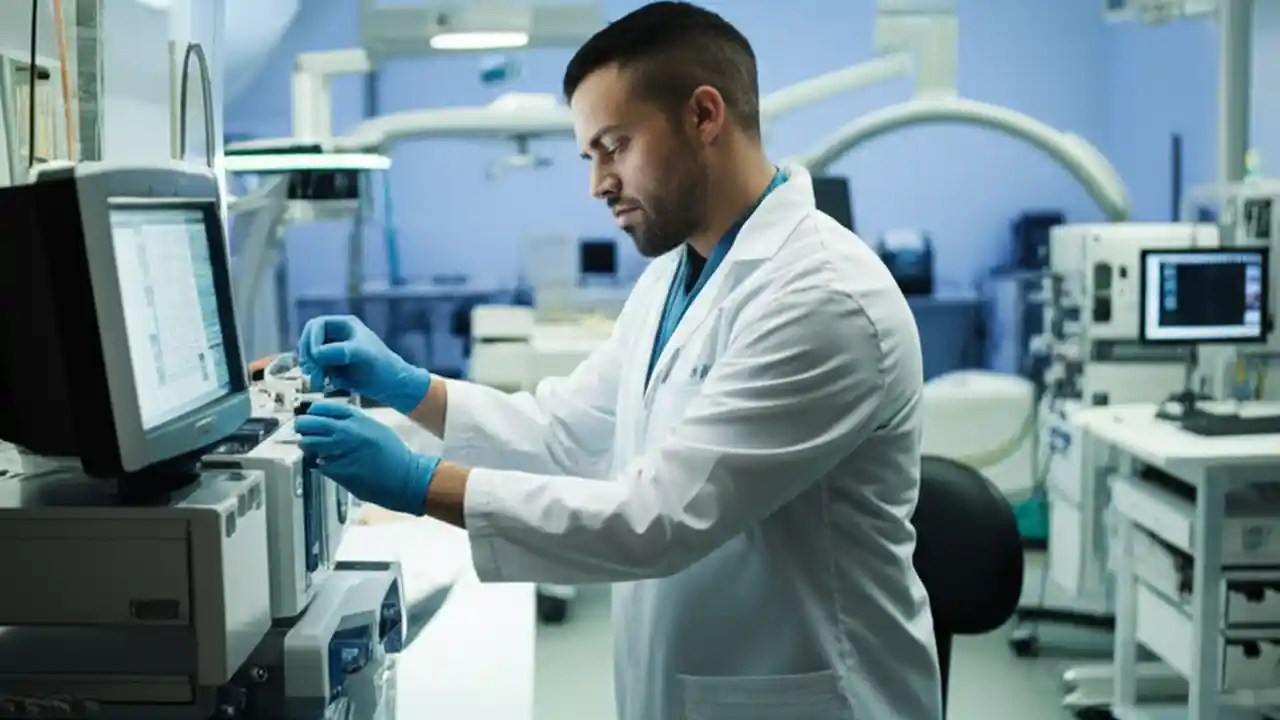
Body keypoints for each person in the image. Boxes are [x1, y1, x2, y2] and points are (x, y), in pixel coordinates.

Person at [295, 2, 941, 718]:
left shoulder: (824, 298)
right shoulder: (677, 272)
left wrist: (420, 484)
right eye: (590, 155)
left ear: (703, 116)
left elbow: (655, 518)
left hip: (811, 695)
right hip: (698, 679)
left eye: (615, 146)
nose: (598, 183)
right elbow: (570, 430)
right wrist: (412, 390)